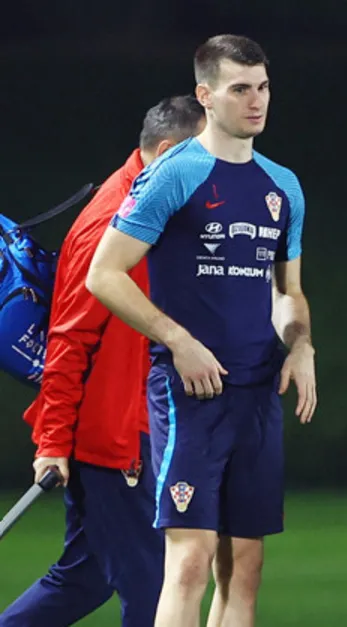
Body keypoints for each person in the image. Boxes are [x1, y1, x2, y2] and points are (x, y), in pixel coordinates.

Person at [85, 34, 316, 627]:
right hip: (191, 395)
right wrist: (178, 341)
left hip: (257, 395)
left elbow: (286, 293)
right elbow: (103, 274)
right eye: (240, 89)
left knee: (246, 565)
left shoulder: (283, 186)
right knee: (189, 561)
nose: (256, 101)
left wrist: (301, 344)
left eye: (263, 87)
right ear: (205, 96)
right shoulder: (176, 173)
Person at [0, 95, 205, 627]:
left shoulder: (155, 206)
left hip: (131, 427)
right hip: (115, 443)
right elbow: (68, 341)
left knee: (84, 579)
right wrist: (51, 443)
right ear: (168, 153)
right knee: (155, 592)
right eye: (205, 156)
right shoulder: (111, 223)